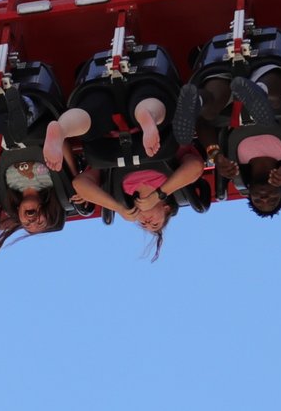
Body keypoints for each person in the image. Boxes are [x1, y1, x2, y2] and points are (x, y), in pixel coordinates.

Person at [49, 42, 207, 254]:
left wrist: (118, 208)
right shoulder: (174, 180)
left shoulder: (117, 188)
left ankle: (61, 129)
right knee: (151, 110)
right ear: (167, 209)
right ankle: (147, 118)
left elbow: (80, 183)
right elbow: (196, 166)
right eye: (154, 224)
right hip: (149, 102)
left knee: (90, 119)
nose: (146, 222)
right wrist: (159, 194)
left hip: (109, 127)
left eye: (143, 225)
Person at [175, 20, 281, 217]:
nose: (265, 196)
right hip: (270, 73)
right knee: (275, 101)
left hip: (229, 93)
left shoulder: (233, 160)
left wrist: (216, 155)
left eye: (258, 200)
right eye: (272, 199)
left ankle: (197, 101)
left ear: (249, 193)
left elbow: (203, 126)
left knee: (209, 111)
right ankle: (258, 92)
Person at [0, 22, 75, 250]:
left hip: (1, 132)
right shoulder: (53, 183)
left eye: (27, 225)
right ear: (51, 211)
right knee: (21, 124)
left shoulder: (4, 191)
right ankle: (15, 100)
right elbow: (65, 148)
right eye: (41, 222)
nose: (32, 220)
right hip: (38, 121)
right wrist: (75, 186)